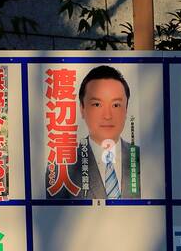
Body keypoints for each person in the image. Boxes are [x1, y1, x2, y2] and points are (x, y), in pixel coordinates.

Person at [48, 65, 139, 200]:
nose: (107, 116)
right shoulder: (62, 168)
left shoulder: (143, 159)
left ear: (126, 110)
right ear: (82, 109)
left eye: (116, 105)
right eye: (97, 104)